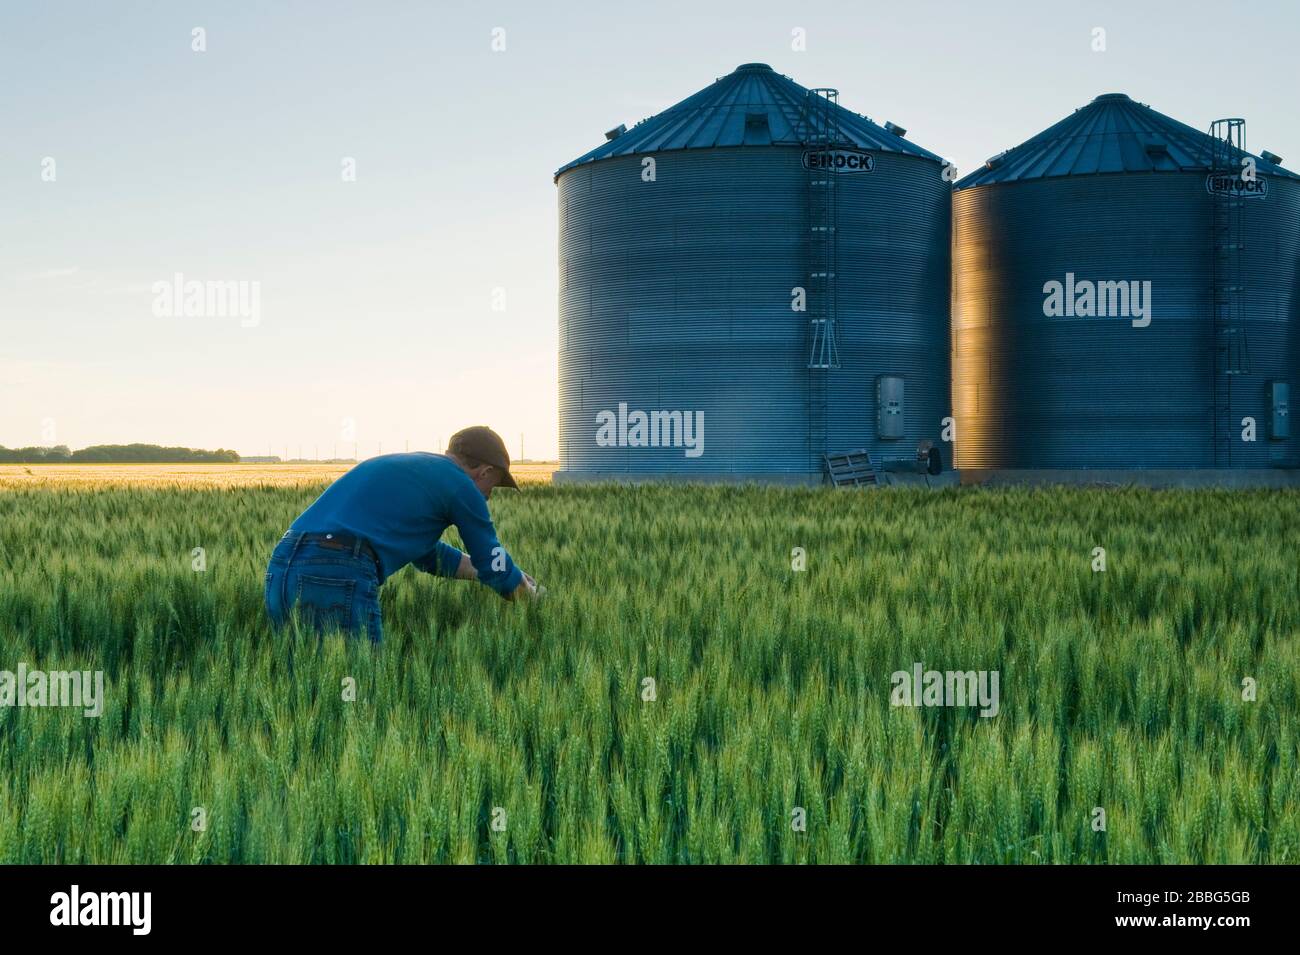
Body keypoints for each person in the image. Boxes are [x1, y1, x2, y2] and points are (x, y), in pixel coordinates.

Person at [264, 426, 538, 643]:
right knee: (359, 692)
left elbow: (427, 555)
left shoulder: (408, 467)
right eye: (496, 483)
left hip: (282, 568)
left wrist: (487, 572)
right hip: (336, 572)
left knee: (309, 687)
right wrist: (531, 598)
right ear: (485, 471)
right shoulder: (461, 485)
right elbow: (493, 560)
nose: (491, 494)